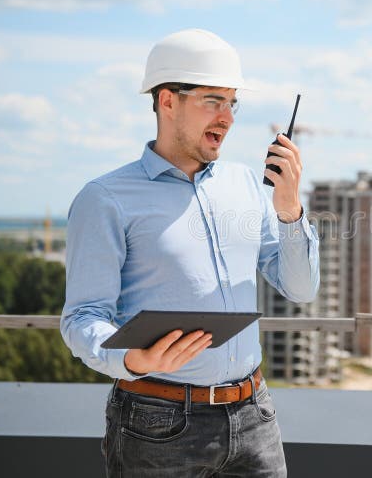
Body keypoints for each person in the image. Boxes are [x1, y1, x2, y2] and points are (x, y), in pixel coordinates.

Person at [60, 29, 320, 477]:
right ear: (167, 102)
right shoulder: (105, 198)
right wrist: (130, 359)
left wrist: (290, 209)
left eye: (232, 103)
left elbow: (300, 288)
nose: (227, 118)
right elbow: (82, 318)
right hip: (157, 424)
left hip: (254, 416)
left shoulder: (247, 187)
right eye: (212, 101)